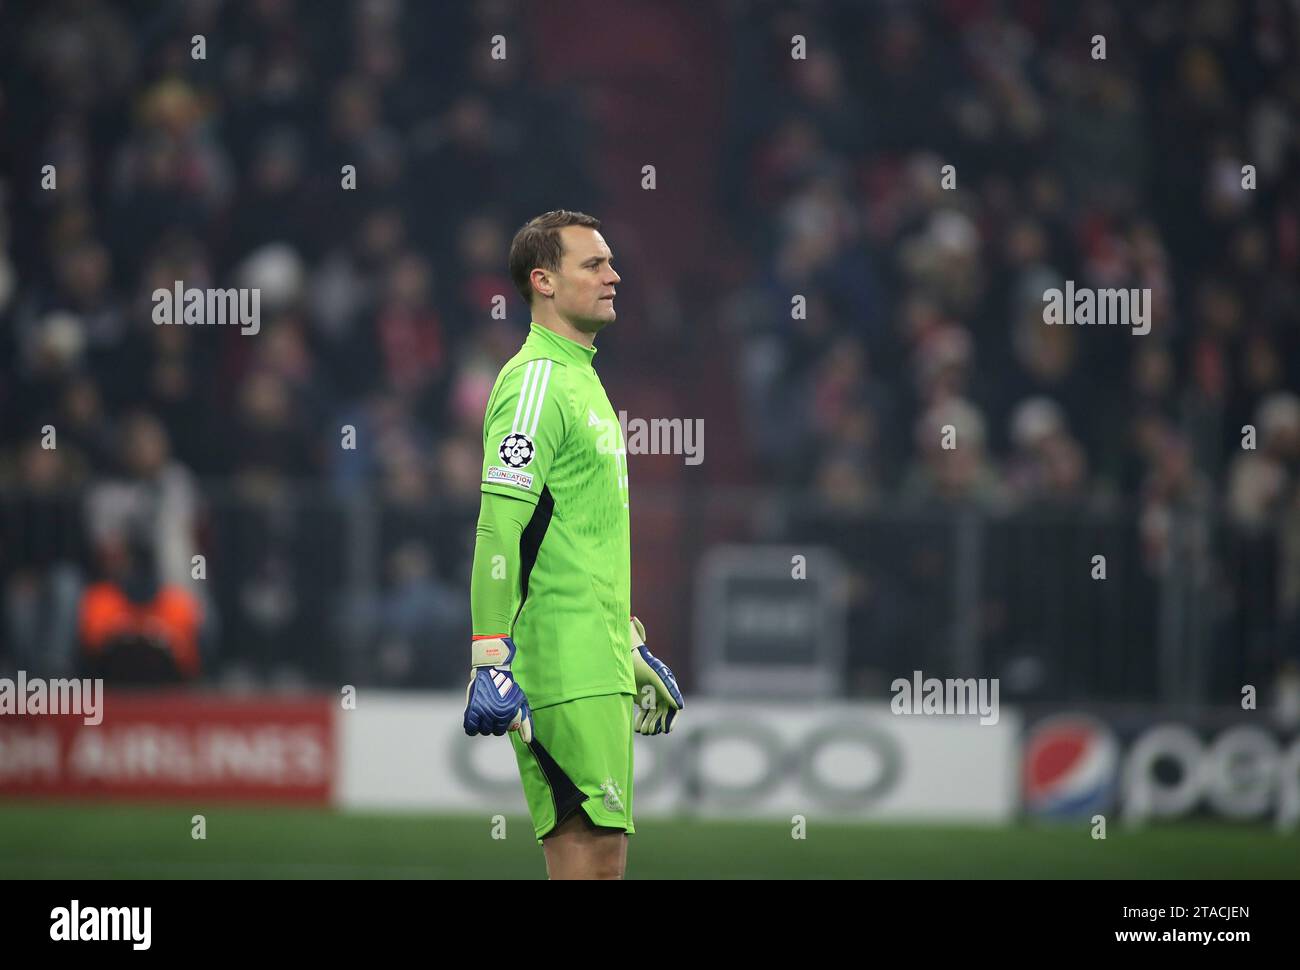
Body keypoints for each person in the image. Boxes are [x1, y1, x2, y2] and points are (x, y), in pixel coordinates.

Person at [463, 210, 683, 879]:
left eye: (611, 262)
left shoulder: (582, 378)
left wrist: (628, 639)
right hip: (561, 665)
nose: (614, 275)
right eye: (594, 264)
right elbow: (500, 525)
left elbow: (580, 538)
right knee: (586, 862)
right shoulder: (534, 383)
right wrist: (489, 656)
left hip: (598, 655)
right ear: (544, 281)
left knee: (602, 863)